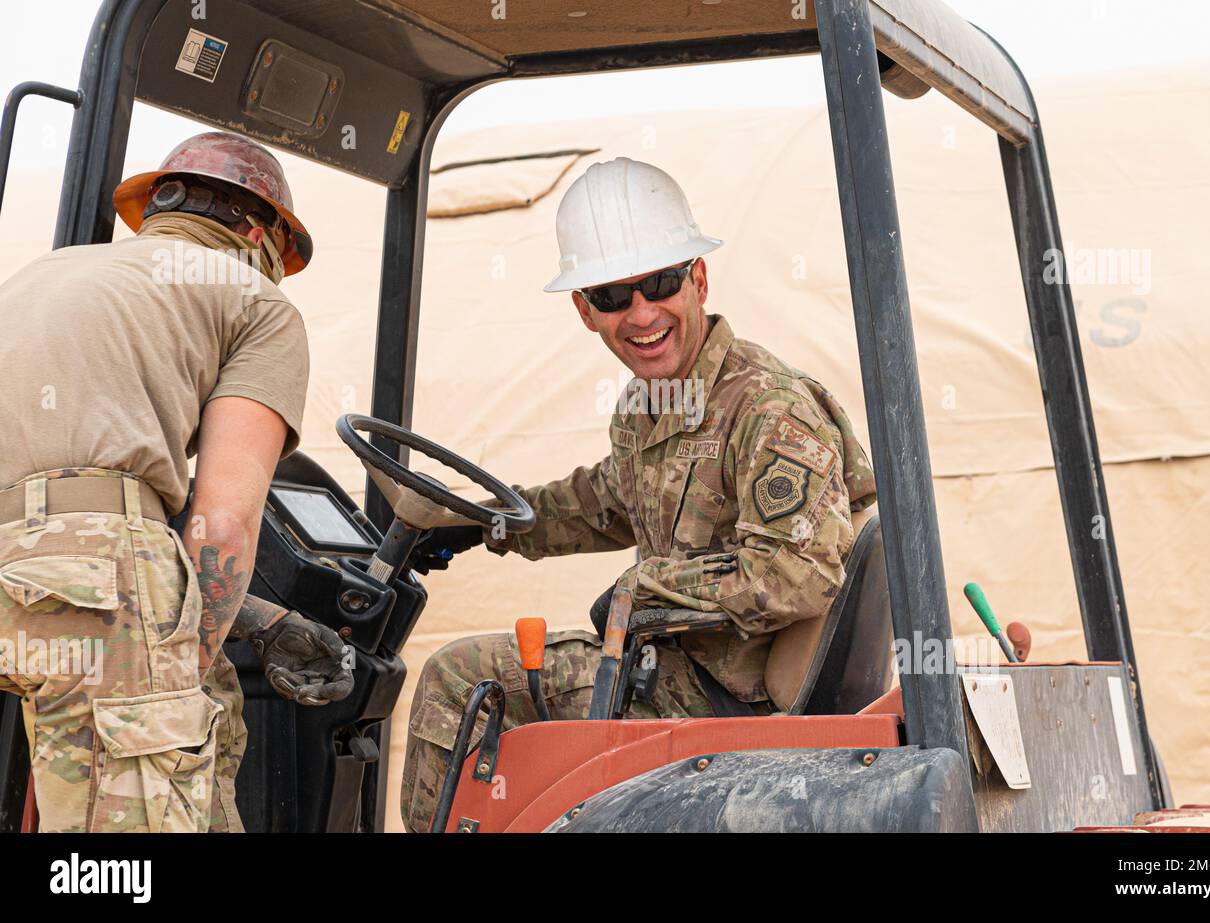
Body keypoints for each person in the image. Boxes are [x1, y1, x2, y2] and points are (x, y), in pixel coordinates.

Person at [400, 157, 876, 832]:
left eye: (659, 283)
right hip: (678, 664)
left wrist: (649, 583)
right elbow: (608, 501)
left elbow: (797, 576)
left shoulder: (769, 409)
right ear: (584, 311)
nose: (642, 313)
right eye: (613, 296)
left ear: (698, 279)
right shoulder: (650, 407)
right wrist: (485, 524)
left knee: (456, 677)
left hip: (717, 694)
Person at [0, 131, 352, 833]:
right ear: (261, 233)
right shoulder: (255, 299)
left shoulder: (44, 274)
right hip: (96, 580)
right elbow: (222, 521)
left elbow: (50, 520)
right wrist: (171, 678)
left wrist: (253, 617)